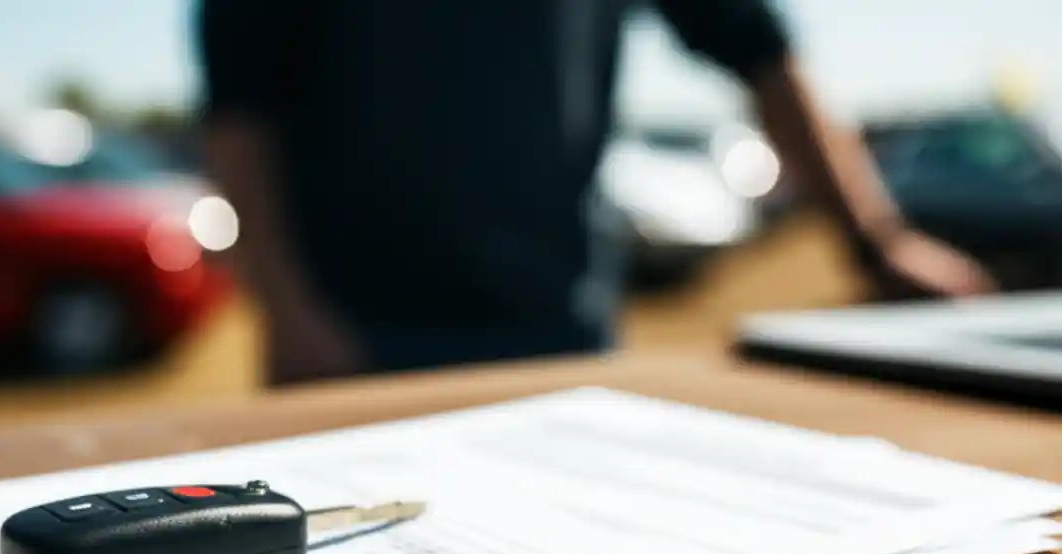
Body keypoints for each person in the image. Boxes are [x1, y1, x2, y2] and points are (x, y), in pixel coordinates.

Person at [197, 1, 996, 386]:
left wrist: (879, 242)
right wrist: (291, 314)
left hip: (561, 332)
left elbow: (759, 50)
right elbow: (240, 110)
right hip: (358, 340)